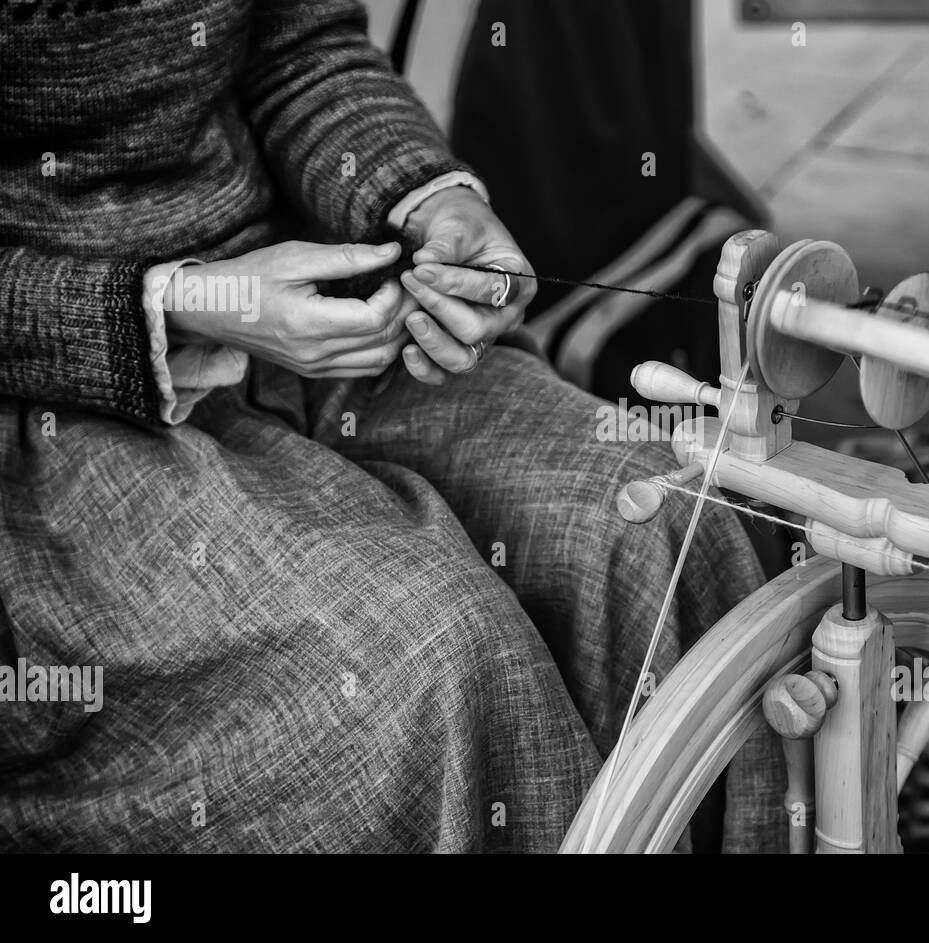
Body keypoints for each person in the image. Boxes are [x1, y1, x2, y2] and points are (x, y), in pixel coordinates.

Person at [0, 0, 782, 851]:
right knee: (433, 660)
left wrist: (430, 196)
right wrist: (181, 306)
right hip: (52, 398)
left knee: (651, 507)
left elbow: (298, 47)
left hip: (304, 308)